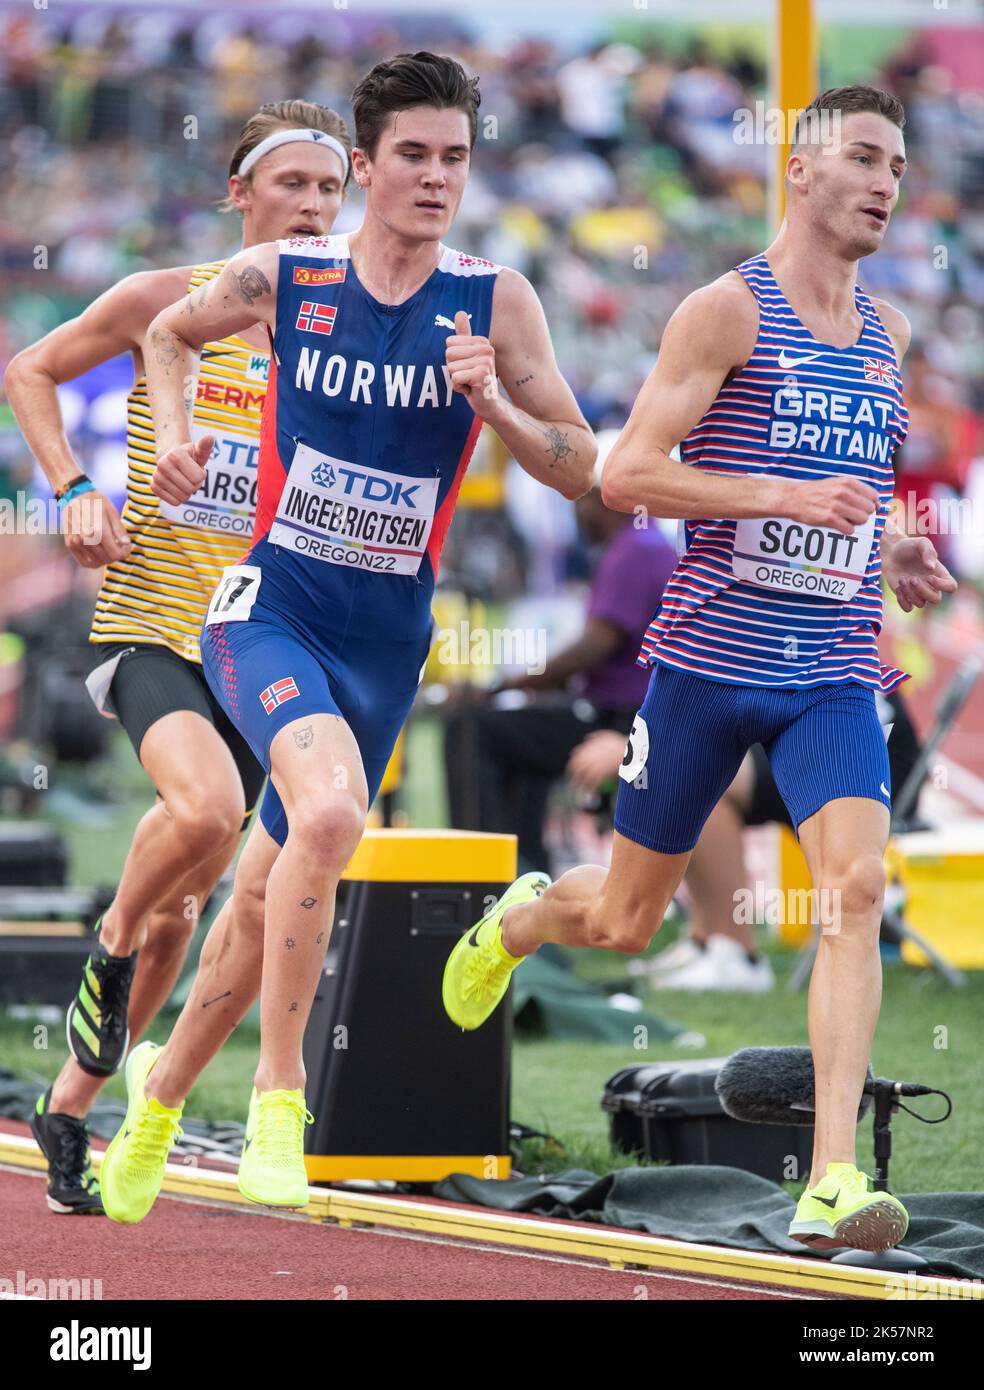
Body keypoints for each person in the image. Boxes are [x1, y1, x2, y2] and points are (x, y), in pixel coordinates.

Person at [443, 86, 957, 1253]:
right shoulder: (725, 312)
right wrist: (775, 494)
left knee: (856, 892)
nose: (887, 183)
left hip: (830, 666)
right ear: (800, 172)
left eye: (898, 164)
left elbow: (852, 498)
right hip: (706, 664)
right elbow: (624, 476)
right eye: (865, 160)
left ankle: (829, 1177)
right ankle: (526, 918)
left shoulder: (891, 333)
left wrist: (893, 542)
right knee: (623, 919)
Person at [97, 50, 595, 1225]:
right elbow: (167, 337)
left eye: (455, 159)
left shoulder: (495, 300)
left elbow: (588, 477)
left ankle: (159, 1101)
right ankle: (283, 1096)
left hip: (387, 645)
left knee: (270, 892)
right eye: (412, 157)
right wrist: (172, 440)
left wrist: (499, 407)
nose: (434, 179)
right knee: (327, 819)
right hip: (270, 607)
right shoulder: (282, 275)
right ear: (364, 167)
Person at [3, 100, 351, 1215]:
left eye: (328, 189)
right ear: (240, 197)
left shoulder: (351, 324)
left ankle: (66, 1108)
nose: (310, 207)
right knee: (199, 820)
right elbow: (29, 369)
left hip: (268, 637)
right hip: (154, 618)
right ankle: (100, 940)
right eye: (289, 185)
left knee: (185, 912)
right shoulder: (167, 299)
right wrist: (73, 490)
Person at [568, 687, 923, 992]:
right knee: (685, 767)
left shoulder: (775, 618)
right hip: (823, 731)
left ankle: (737, 952)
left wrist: (639, 746)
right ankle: (705, 939)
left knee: (693, 771)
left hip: (862, 754)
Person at [444, 430, 677, 874]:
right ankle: (528, 869)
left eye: (583, 498)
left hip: (618, 717)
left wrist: (501, 686)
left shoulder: (634, 551)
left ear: (607, 497)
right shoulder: (646, 545)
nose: (578, 511)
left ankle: (484, 876)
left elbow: (592, 647)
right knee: (521, 736)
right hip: (625, 708)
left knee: (472, 730)